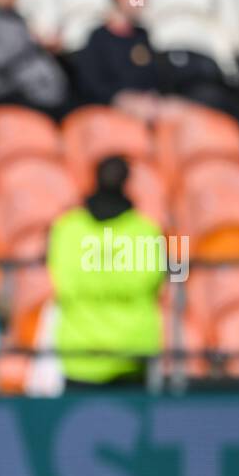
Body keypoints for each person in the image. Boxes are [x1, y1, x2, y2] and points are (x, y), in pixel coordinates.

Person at [47, 156, 165, 388]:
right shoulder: (145, 229)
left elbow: (64, 281)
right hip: (131, 348)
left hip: (81, 349)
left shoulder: (67, 228)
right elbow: (148, 281)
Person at [73, 0, 161, 122]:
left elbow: (154, 79)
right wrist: (121, 99)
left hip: (149, 107)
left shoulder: (142, 36)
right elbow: (91, 85)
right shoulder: (98, 38)